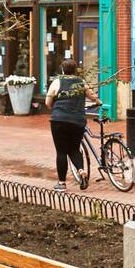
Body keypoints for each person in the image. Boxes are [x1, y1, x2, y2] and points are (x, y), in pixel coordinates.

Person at [44, 58, 100, 191]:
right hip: (77, 120)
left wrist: (56, 109)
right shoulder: (81, 83)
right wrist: (98, 102)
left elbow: (48, 102)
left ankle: (62, 183)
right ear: (75, 70)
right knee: (74, 149)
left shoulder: (57, 82)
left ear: (62, 69)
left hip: (59, 120)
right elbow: (93, 97)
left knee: (62, 151)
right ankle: (81, 170)